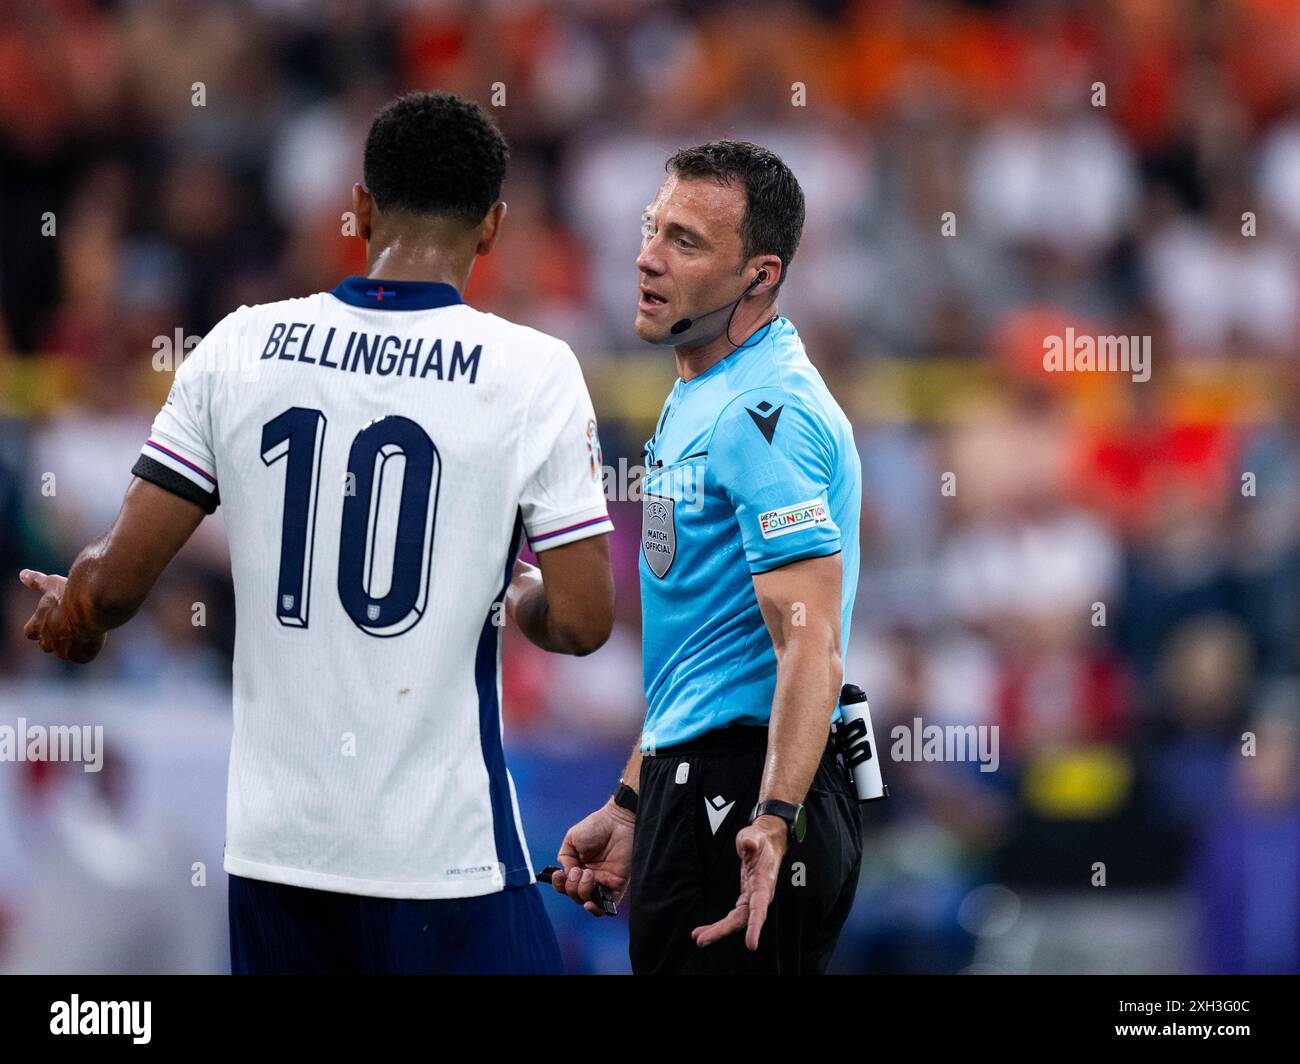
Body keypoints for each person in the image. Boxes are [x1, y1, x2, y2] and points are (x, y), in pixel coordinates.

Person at [18, 91, 616, 975]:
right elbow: (584, 621)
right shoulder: (533, 370)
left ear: (363, 207)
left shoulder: (239, 345)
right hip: (444, 861)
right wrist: (516, 590)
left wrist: (76, 609)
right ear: (492, 228)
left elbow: (110, 585)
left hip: (276, 861)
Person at [550, 140, 864, 974]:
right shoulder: (704, 393)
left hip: (745, 795)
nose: (647, 258)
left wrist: (773, 817)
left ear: (759, 275)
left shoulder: (761, 414)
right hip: (700, 786)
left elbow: (811, 639)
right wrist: (630, 802)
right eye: (653, 228)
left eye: (685, 242)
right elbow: (700, 656)